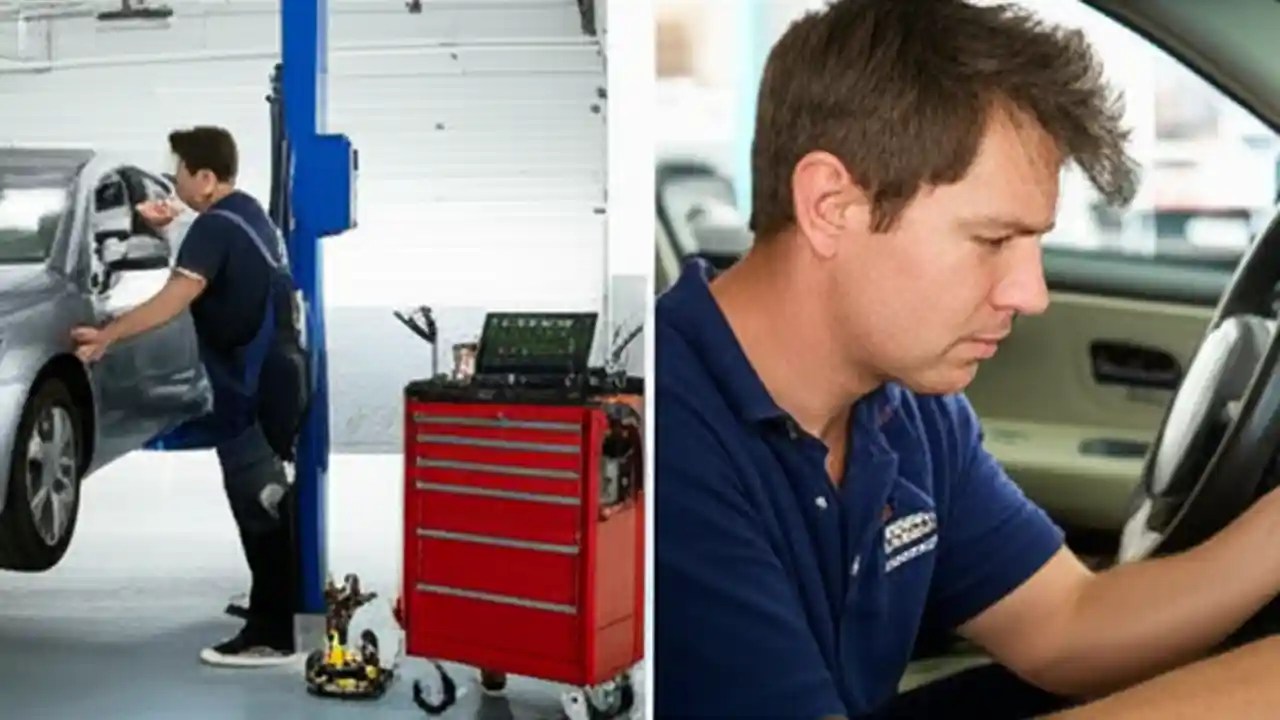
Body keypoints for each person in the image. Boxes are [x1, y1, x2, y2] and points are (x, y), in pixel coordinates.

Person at [654, 1, 1280, 718]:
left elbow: (1063, 622)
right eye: (992, 241)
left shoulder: (905, 407)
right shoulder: (658, 443)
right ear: (831, 206)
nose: (1032, 294)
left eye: (1034, 243)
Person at [71, 126, 299, 667]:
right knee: (267, 504)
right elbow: (219, 268)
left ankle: (273, 634)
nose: (173, 184)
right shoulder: (249, 216)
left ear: (205, 176)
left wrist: (108, 334)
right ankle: (274, 608)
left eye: (179, 173)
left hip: (246, 392)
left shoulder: (216, 228)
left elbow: (174, 298)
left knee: (258, 508)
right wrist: (176, 225)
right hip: (273, 382)